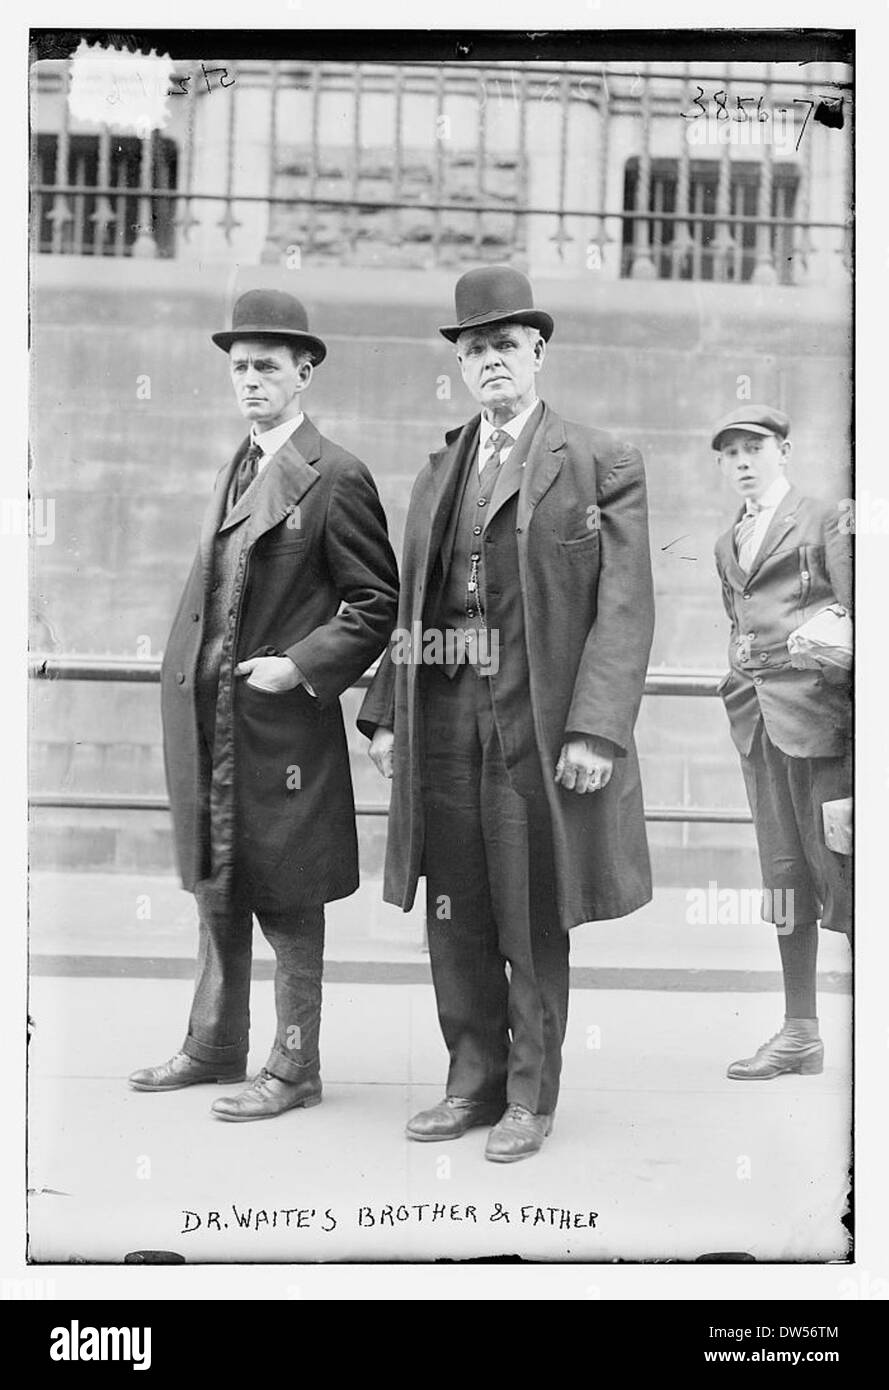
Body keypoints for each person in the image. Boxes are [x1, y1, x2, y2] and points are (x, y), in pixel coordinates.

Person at [359, 265, 654, 1162]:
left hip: (535, 725)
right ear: (461, 364)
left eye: (504, 345)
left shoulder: (599, 461)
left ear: (537, 353)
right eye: (473, 347)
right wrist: (385, 714)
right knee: (454, 909)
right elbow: (417, 604)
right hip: (445, 725)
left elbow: (624, 606)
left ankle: (530, 1096)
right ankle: (470, 1081)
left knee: (530, 914)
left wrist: (595, 728)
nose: (489, 360)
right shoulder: (441, 466)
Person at [129, 288, 398, 1120]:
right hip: (213, 722)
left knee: (289, 895)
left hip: (280, 727)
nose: (249, 380)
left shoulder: (337, 474)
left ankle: (294, 1067)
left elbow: (374, 601)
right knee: (217, 883)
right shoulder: (235, 464)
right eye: (239, 367)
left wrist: (299, 667)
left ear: (303, 373)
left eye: (267, 367)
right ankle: (214, 1045)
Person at [712, 404, 852, 1080]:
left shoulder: (825, 517)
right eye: (730, 452)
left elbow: (861, 621)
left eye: (754, 448)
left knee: (850, 874)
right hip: (760, 725)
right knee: (783, 877)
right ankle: (799, 1031)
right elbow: (737, 623)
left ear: (783, 451)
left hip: (825, 728)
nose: (741, 461)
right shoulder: (725, 541)